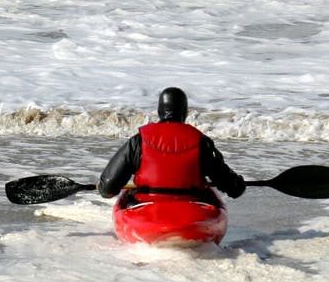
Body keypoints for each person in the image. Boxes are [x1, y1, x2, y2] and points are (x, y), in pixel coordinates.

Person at [98, 86, 245, 203]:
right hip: (191, 210)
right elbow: (233, 189)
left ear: (159, 111)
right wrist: (238, 184)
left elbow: (107, 188)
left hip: (148, 207)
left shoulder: (138, 140)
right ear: (185, 112)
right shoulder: (201, 141)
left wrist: (107, 190)